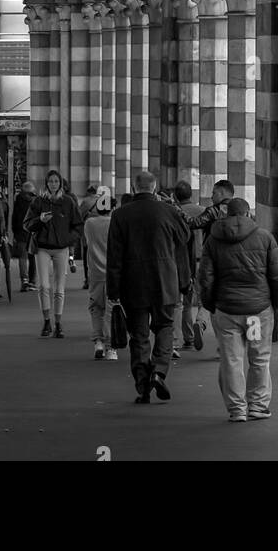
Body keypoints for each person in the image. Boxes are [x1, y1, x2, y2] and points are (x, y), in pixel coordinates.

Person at [198, 197, 278, 422]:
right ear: (248, 214)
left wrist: (210, 304)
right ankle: (257, 405)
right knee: (259, 357)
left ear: (227, 214)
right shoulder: (264, 237)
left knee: (231, 359)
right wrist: (275, 302)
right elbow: (277, 275)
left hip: (227, 311)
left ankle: (237, 409)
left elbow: (205, 278)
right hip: (257, 312)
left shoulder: (213, 240)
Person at [105, 171, 190, 404]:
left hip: (133, 284)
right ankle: (159, 371)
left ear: (134, 188)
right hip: (165, 281)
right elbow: (184, 237)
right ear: (154, 188)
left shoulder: (121, 215)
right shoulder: (169, 211)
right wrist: (174, 208)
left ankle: (142, 383)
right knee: (164, 327)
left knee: (139, 335)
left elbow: (114, 256)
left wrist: (113, 291)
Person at [25, 170, 81, 336]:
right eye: (51, 181)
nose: (54, 184)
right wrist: (39, 220)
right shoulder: (38, 202)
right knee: (43, 285)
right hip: (42, 246)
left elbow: (78, 226)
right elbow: (27, 224)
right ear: (46, 183)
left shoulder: (68, 202)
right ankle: (46, 321)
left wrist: (67, 239)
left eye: (56, 181)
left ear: (60, 184)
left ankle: (58, 323)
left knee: (59, 288)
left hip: (61, 248)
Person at [172, 180, 207, 353]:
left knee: (183, 303)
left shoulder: (173, 213)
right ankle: (200, 323)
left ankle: (187, 338)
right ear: (191, 194)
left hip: (182, 262)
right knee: (204, 300)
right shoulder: (202, 211)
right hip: (203, 260)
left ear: (175, 196)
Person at [82, 186, 117, 360]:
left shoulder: (90, 224)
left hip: (95, 272)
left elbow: (86, 240)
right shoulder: (114, 223)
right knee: (111, 308)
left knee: (96, 307)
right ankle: (111, 347)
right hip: (112, 273)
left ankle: (98, 342)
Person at [11, 180, 38, 292]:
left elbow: (14, 218)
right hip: (31, 233)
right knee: (32, 258)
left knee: (23, 257)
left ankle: (25, 280)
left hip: (21, 233)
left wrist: (14, 232)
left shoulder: (18, 202)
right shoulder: (34, 203)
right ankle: (32, 281)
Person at [78, 186, 99, 288]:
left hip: (88, 233)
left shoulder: (86, 201)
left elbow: (79, 216)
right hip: (100, 233)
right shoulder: (103, 200)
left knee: (87, 257)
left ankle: (88, 280)